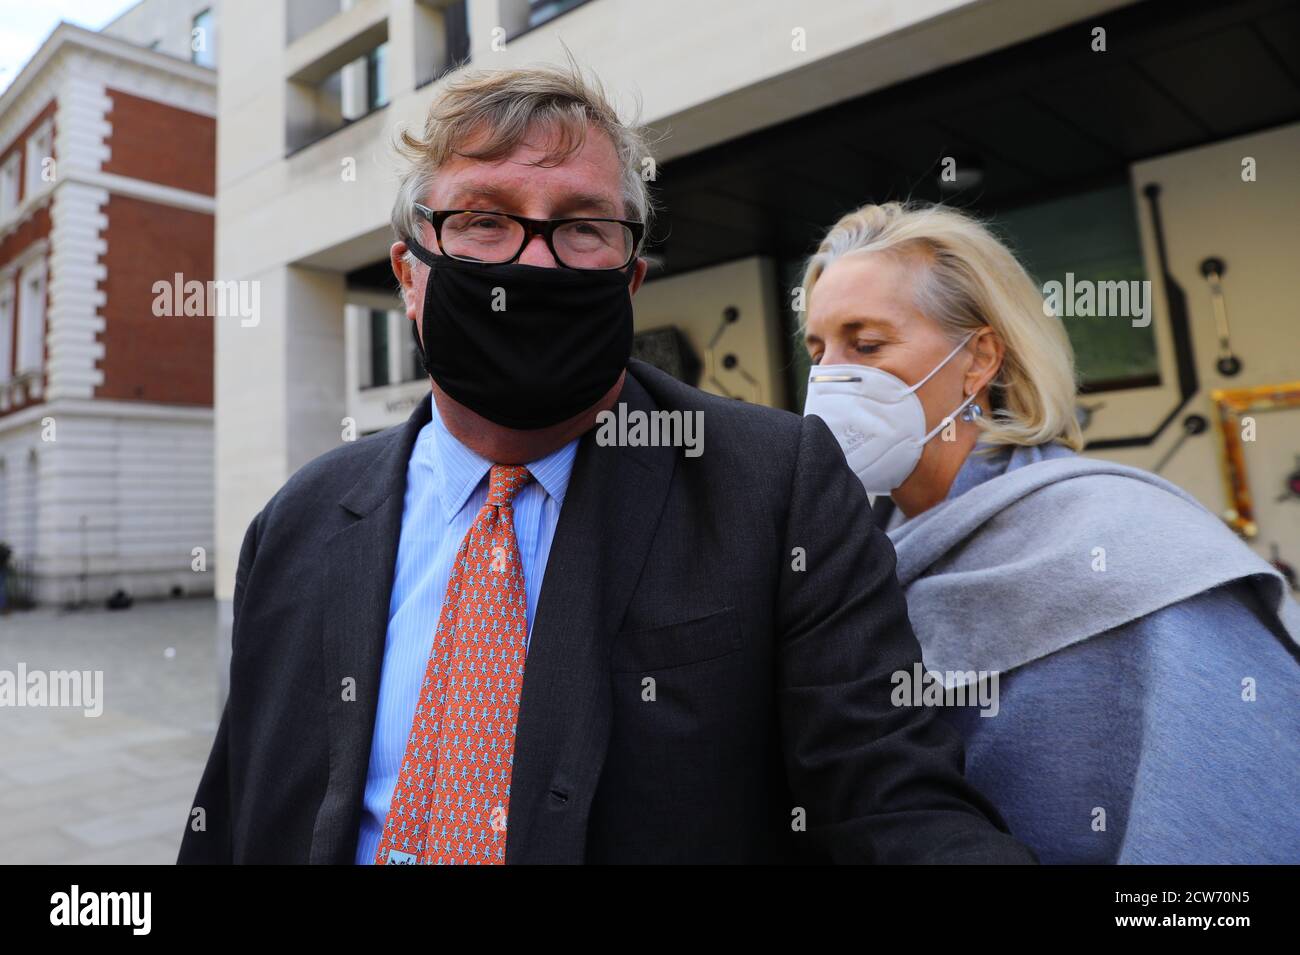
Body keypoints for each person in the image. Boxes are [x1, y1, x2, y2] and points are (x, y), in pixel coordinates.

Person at [177, 65, 1034, 865]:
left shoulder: (777, 490)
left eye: (583, 227)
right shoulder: (299, 520)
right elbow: (232, 803)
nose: (535, 259)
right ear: (410, 273)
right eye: (484, 219)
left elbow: (889, 799)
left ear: (628, 279)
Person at [800, 200, 1300, 864]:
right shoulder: (853, 559)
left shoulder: (1130, 542)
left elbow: (1237, 805)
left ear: (978, 359)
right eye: (817, 349)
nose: (831, 376)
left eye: (865, 345)